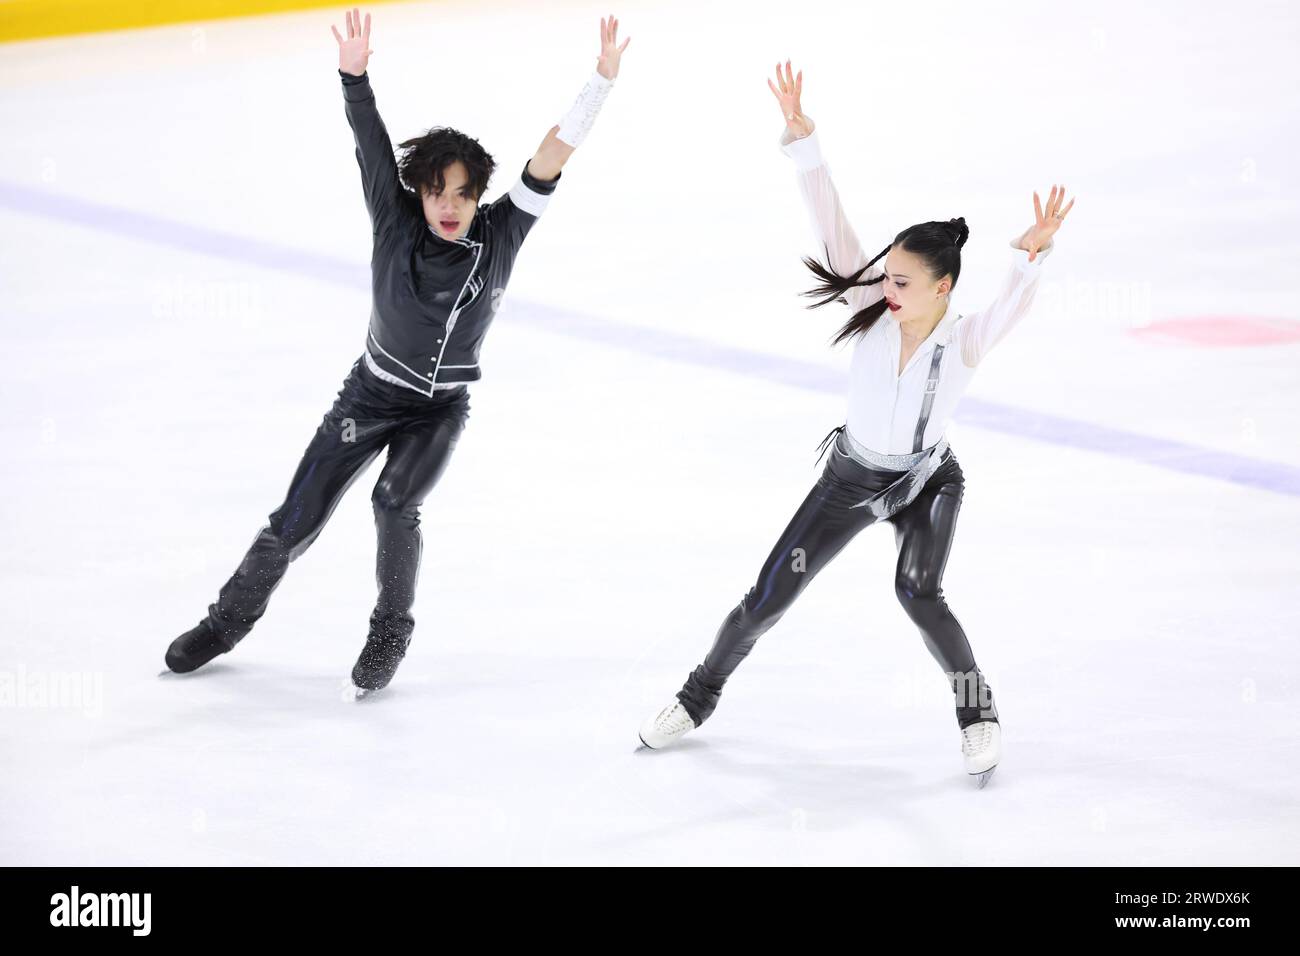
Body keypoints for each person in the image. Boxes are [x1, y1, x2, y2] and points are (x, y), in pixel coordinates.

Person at [164, 9, 631, 695]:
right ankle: (226, 622)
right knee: (294, 520)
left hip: (437, 410)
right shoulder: (395, 217)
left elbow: (553, 152)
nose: (449, 205)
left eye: (462, 194)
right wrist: (354, 75)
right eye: (437, 191)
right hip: (370, 395)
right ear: (419, 191)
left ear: (478, 197)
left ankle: (390, 632)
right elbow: (369, 145)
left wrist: (601, 82)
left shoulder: (502, 234)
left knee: (394, 502)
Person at [638, 61, 1073, 786]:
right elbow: (832, 226)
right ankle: (694, 698)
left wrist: (1030, 257)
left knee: (919, 593)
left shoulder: (962, 340)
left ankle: (977, 714)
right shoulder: (869, 312)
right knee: (766, 598)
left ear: (944, 287)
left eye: (903, 282)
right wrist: (805, 145)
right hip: (848, 481)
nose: (887, 288)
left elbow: (1012, 308)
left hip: (927, 482)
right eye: (886, 276)